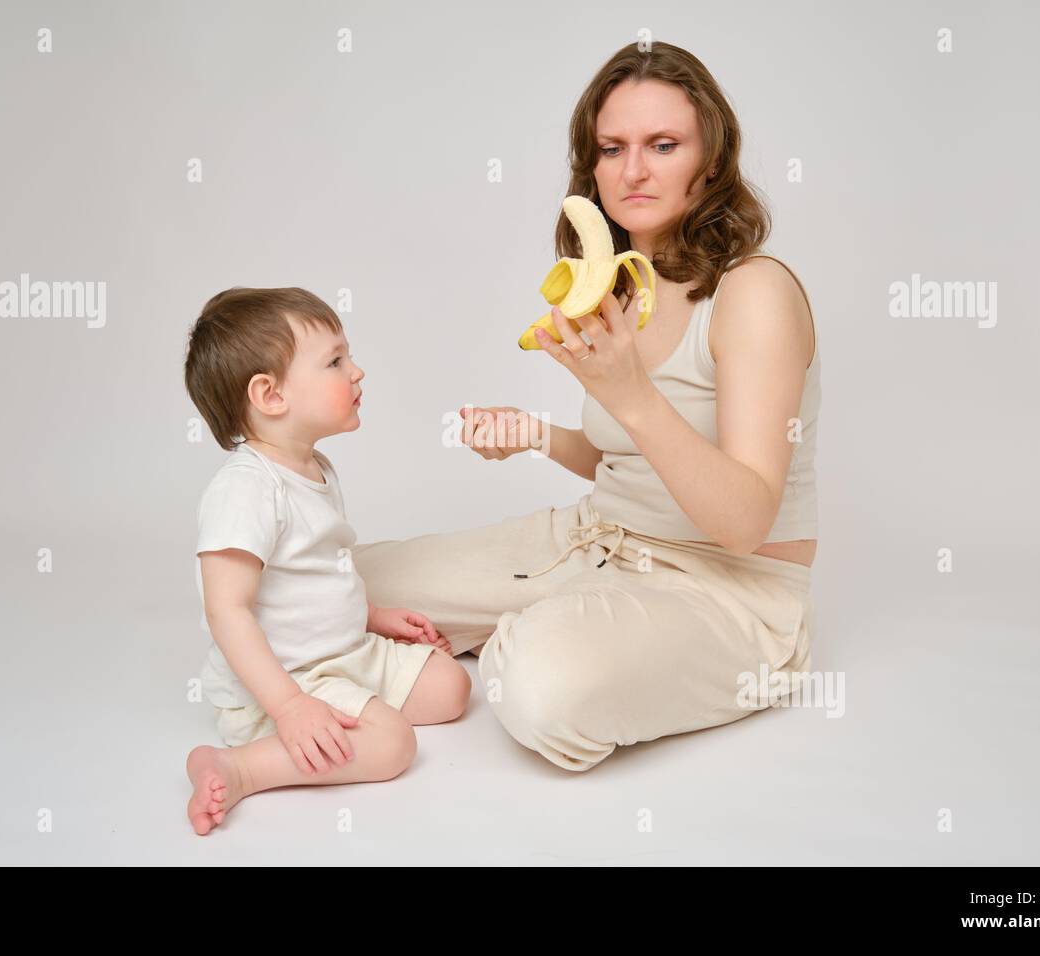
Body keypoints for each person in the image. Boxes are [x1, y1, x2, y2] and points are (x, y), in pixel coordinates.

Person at [351, 41, 820, 772]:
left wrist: (632, 395)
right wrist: (536, 435)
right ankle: (536, 624)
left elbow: (745, 521)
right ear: (590, 166)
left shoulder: (754, 293)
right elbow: (624, 461)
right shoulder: (621, 290)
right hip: (596, 540)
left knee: (537, 688)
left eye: (663, 145)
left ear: (712, 161)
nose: (632, 170)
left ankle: (529, 634)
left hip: (727, 594)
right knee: (337, 582)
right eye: (612, 148)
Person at [180, 287, 471, 834]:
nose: (357, 372)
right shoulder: (245, 489)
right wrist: (290, 706)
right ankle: (240, 768)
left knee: (451, 687)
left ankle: (352, 700)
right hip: (285, 677)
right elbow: (228, 613)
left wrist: (371, 613)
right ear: (270, 395)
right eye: (335, 361)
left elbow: (314, 576)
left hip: (341, 653)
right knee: (392, 745)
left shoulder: (315, 466)